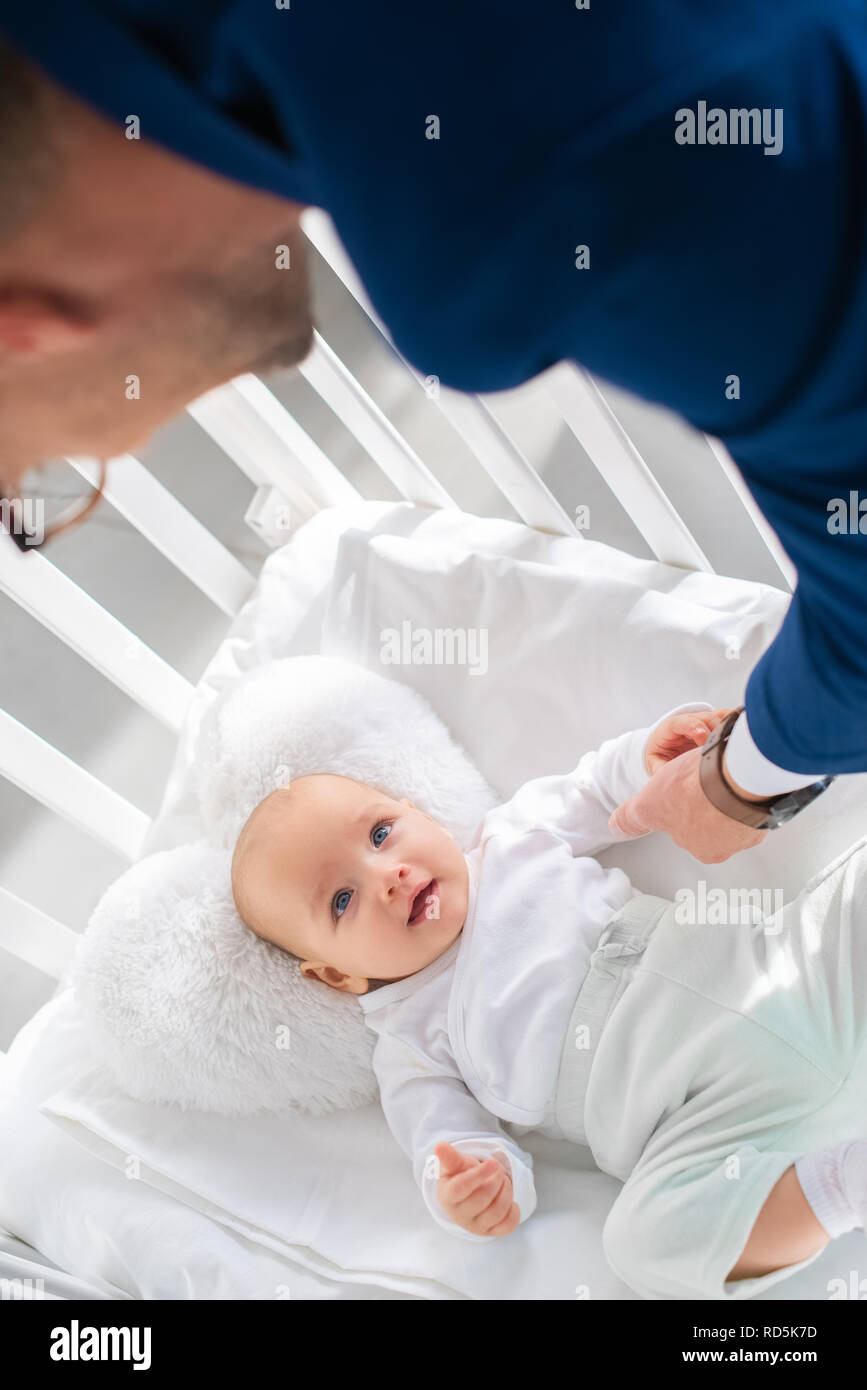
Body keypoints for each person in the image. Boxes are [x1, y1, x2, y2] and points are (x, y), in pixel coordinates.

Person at [1, 2, 866, 864]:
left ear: (18, 339)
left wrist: (745, 778)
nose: (119, 451)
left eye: (36, 468)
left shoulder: (498, 206)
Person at [229, 702, 867, 1300]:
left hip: (792, 968)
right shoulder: (409, 1050)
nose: (386, 875)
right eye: (342, 900)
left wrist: (649, 755)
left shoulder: (511, 840)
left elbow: (595, 791)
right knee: (643, 1247)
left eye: (381, 834)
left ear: (414, 810)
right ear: (335, 976)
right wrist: (471, 1190)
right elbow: (449, 1144)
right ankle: (843, 1187)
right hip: (719, 1125)